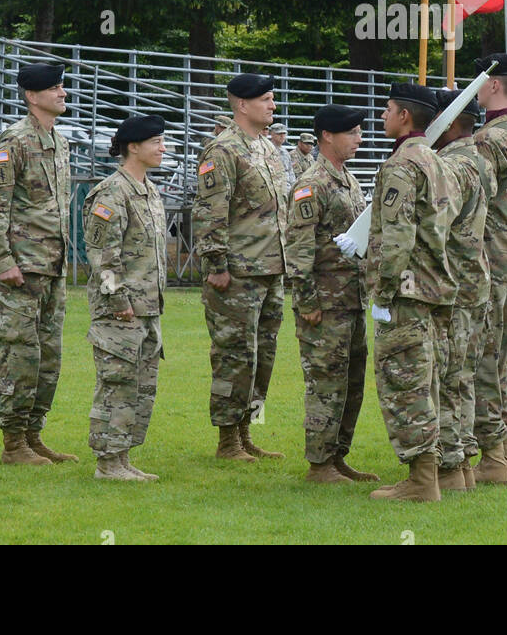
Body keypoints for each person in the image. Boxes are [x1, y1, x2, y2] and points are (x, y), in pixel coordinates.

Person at [0, 62, 76, 466]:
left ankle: (34, 436)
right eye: (56, 88)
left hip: (52, 268)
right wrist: (3, 261)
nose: (63, 93)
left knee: (48, 355)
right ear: (33, 96)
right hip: (21, 269)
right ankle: (13, 443)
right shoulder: (12, 142)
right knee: (20, 353)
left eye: (63, 87)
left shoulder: (60, 142)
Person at [362, 83, 457, 502]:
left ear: (404, 116)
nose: (381, 117)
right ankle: (431, 474)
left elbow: (398, 237)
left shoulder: (401, 165)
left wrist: (382, 292)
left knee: (405, 383)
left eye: (387, 110)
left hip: (407, 291)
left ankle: (421, 481)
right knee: (427, 379)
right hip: (433, 285)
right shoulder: (436, 160)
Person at [193, 72, 289, 461]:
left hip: (270, 268)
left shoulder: (267, 148)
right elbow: (210, 211)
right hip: (237, 272)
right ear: (242, 105)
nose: (273, 106)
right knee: (235, 355)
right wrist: (216, 263)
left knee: (263, 356)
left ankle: (248, 430)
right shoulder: (222, 150)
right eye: (266, 100)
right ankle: (227, 439)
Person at [283, 104, 378, 484]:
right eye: (352, 132)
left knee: (352, 382)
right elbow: (298, 247)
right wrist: (307, 301)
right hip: (324, 302)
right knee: (326, 382)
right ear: (327, 136)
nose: (359, 138)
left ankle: (337, 457)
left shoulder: (347, 179)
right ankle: (319, 464)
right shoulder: (312, 184)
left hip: (351, 299)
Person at [83, 114, 168, 481]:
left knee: (140, 387)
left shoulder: (149, 190)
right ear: (133, 147)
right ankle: (107, 463)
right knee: (116, 384)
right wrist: (119, 303)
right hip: (121, 312)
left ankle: (123, 459)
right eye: (156, 142)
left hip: (148, 309)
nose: (163, 148)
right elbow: (103, 256)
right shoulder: (111, 193)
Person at [470, 53, 507, 485]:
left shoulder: (493, 139)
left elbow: (473, 192)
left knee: (486, 360)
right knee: (501, 358)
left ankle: (493, 454)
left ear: (493, 85)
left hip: (493, 259)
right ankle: (505, 451)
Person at [433, 88, 496, 493]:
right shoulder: (481, 160)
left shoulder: (452, 166)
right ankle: (464, 463)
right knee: (464, 375)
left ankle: (450, 465)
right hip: (475, 279)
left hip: (454, 282)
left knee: (448, 376)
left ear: (452, 121)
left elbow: (436, 225)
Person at [269, 122, 296, 189]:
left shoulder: (285, 152)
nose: (282, 136)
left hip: (287, 187)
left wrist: (293, 187)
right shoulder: (267, 150)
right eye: (279, 134)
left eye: (284, 133)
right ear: (272, 134)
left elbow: (290, 171)